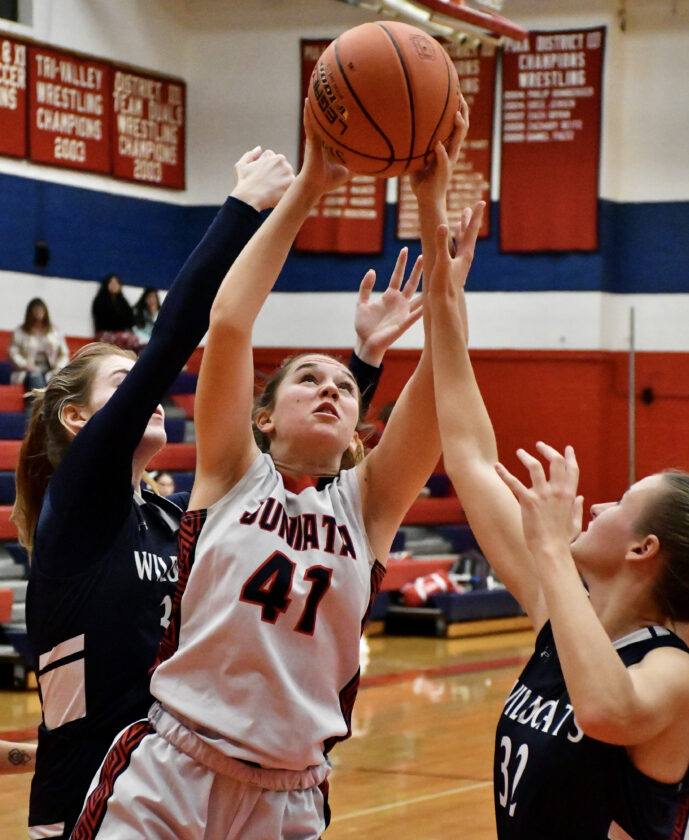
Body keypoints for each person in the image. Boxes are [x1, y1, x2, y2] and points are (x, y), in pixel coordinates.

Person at [71, 100, 469, 840]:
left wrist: (431, 209)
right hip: (173, 770)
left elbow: (445, 388)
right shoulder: (232, 473)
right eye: (308, 380)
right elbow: (229, 320)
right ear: (263, 418)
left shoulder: (367, 509)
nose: (330, 390)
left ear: (356, 426)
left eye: (345, 386)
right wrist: (309, 186)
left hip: (290, 797)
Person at [14, 146, 295, 840]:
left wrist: (365, 363)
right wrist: (243, 207)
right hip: (85, 802)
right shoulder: (80, 500)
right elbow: (173, 340)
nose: (149, 393)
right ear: (77, 418)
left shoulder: (167, 516)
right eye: (124, 384)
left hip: (170, 796)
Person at [426, 203, 689, 839]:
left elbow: (605, 711)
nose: (596, 506)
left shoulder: (675, 671)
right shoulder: (563, 613)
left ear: (642, 548)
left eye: (618, 504)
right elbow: (469, 456)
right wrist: (445, 300)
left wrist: (549, 550)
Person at [8, 298, 69, 392]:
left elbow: (64, 353)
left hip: (51, 369)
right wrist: (26, 365)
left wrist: (58, 366)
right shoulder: (20, 331)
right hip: (28, 370)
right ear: (29, 313)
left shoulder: (54, 330)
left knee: (57, 379)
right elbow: (13, 353)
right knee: (36, 377)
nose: (38, 313)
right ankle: (37, 401)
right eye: (35, 310)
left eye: (40, 310)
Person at [91, 273, 140, 351]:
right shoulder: (100, 301)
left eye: (116, 283)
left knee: (135, 340)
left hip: (121, 333)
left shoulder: (123, 302)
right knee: (126, 339)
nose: (114, 285)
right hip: (105, 333)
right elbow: (105, 321)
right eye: (111, 283)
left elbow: (130, 320)